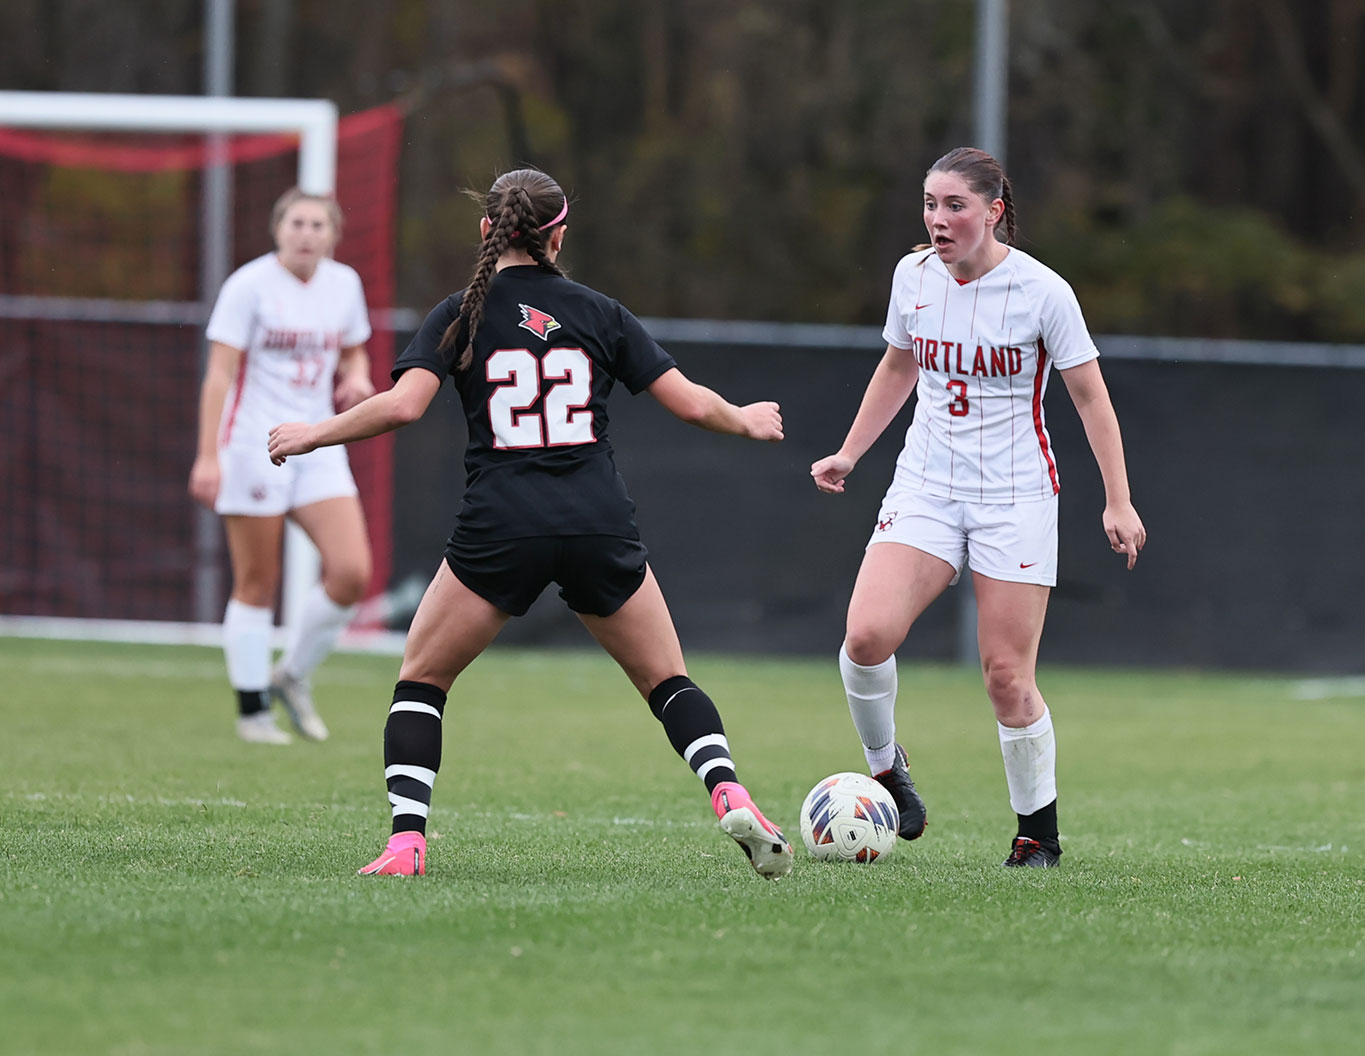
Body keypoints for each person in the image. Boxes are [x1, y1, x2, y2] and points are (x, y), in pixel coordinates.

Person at [265, 168, 794, 879]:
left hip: (503, 525)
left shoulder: (461, 313)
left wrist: (312, 434)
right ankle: (728, 789)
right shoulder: (600, 311)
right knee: (668, 681)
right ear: (559, 236)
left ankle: (406, 844)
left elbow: (401, 406)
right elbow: (694, 405)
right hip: (596, 521)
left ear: (487, 229)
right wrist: (747, 420)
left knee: (422, 682)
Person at [810, 147, 1147, 868]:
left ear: (993, 212)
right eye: (930, 204)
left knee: (1006, 679)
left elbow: (1091, 396)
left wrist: (1117, 500)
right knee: (866, 637)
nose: (938, 219)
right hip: (926, 487)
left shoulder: (1042, 291)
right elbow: (898, 363)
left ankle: (1037, 835)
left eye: (954, 206)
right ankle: (886, 772)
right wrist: (850, 452)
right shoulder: (913, 277)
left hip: (1015, 498)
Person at [190, 188, 375, 745]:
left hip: (318, 442)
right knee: (257, 582)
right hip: (254, 444)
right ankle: (253, 713)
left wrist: (358, 376)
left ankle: (291, 675)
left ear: (333, 234)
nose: (306, 234)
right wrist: (208, 455)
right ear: (278, 228)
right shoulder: (248, 286)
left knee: (351, 573)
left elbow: (354, 349)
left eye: (318, 225)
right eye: (297, 223)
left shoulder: (344, 284)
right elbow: (219, 375)